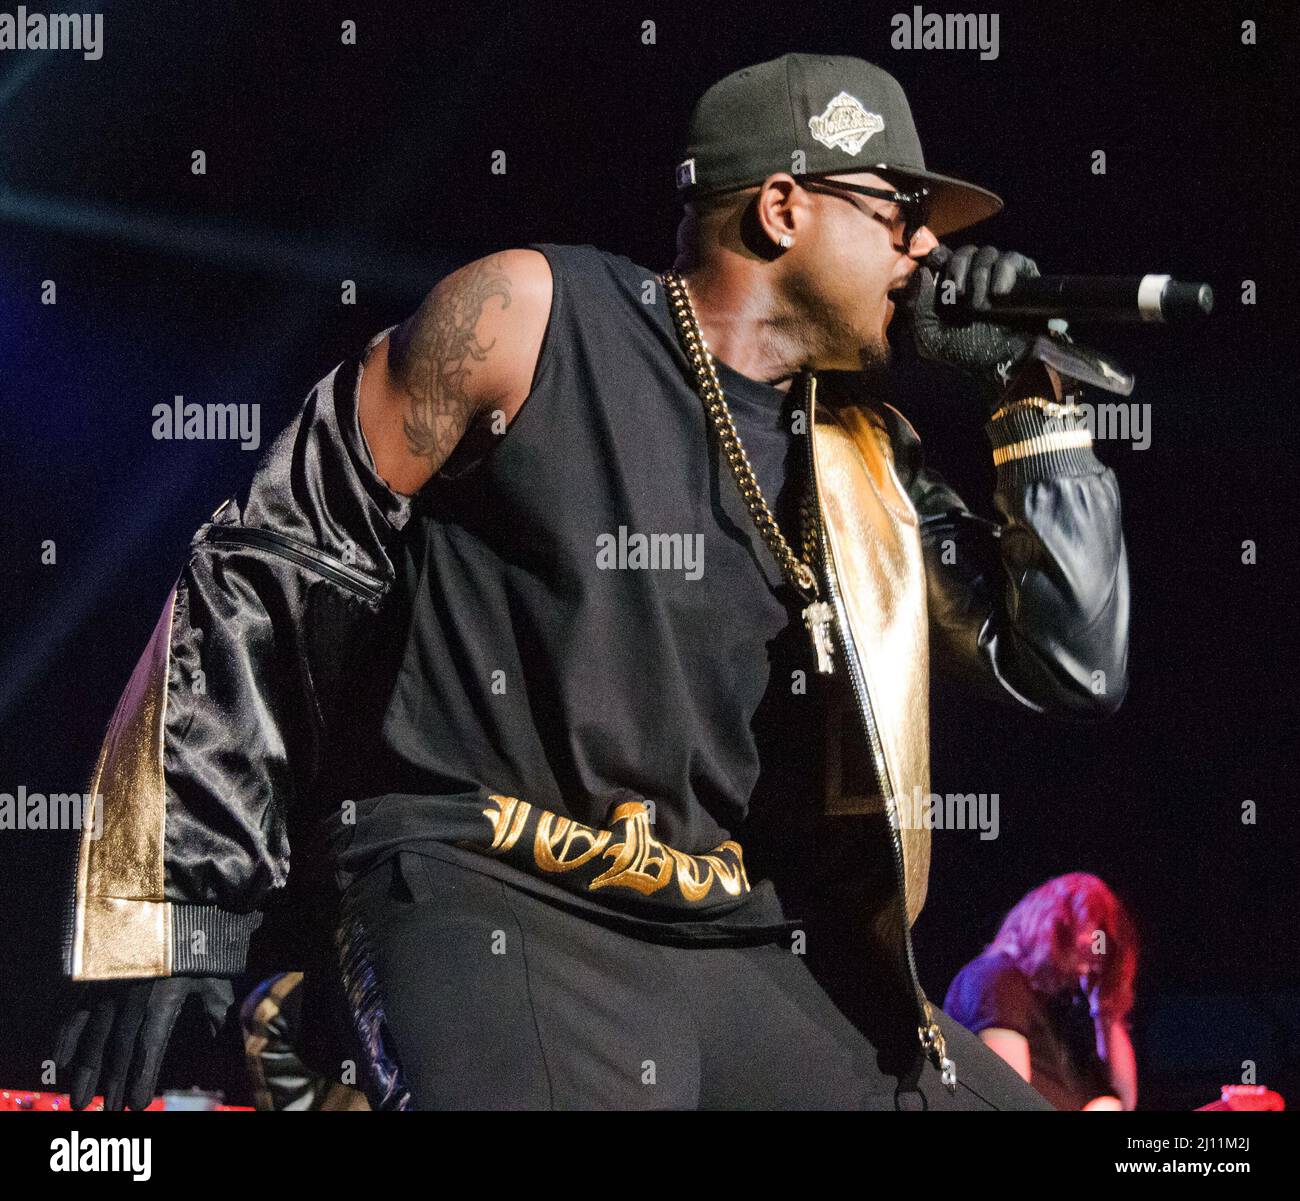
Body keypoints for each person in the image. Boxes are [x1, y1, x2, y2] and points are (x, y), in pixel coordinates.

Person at [54, 54, 1129, 1110]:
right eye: (901, 213)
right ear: (783, 208)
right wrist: (178, 895)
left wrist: (1029, 392)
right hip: (490, 886)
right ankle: (348, 1023)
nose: (930, 250)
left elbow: (1069, 664)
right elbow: (275, 557)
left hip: (735, 932)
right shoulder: (527, 314)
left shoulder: (865, 456)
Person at [944, 873, 1139, 1110]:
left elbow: (1125, 1101)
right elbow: (1008, 1101)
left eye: (1094, 962)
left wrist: (1106, 1008)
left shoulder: (1061, 1009)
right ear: (1055, 930)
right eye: (1083, 954)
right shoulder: (998, 980)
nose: (1085, 970)